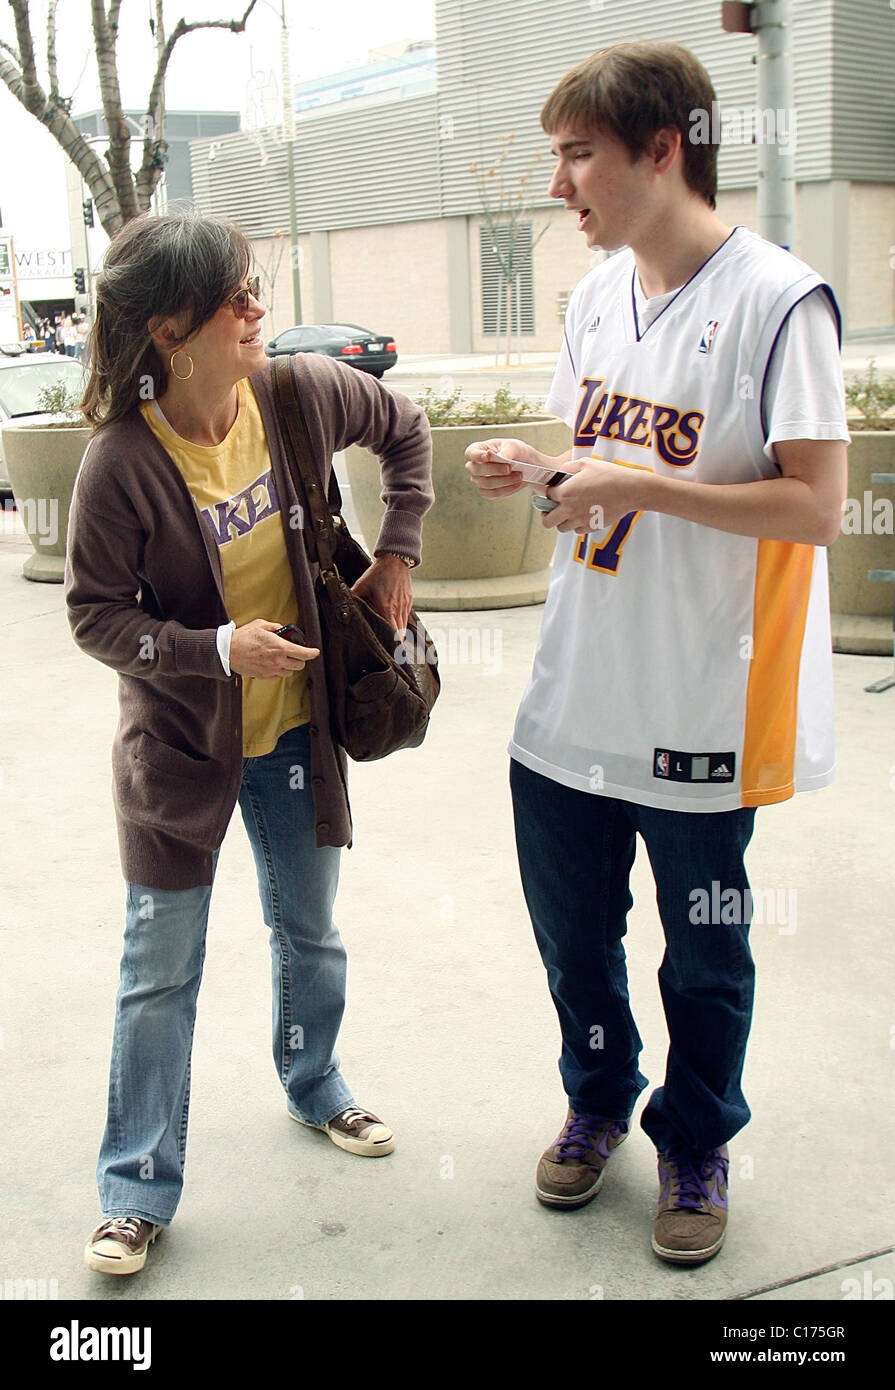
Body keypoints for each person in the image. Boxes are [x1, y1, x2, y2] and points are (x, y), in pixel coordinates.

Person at [465, 41, 848, 1265]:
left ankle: (694, 1137)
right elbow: (604, 474)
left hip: (703, 695)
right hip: (575, 689)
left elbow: (814, 504)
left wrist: (647, 483)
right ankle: (596, 1097)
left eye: (578, 156)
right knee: (574, 935)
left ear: (660, 150)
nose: (560, 185)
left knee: (705, 945)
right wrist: (548, 476)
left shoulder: (781, 301)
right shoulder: (592, 299)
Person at [65, 211, 433, 1276]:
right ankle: (134, 1188)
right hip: (181, 752)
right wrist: (218, 648)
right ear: (170, 328)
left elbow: (404, 430)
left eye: (254, 287)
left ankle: (316, 1083)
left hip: (297, 738)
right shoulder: (121, 465)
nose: (256, 308)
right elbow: (96, 616)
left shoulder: (296, 392)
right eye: (235, 296)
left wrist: (398, 556)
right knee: (158, 968)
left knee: (309, 930)